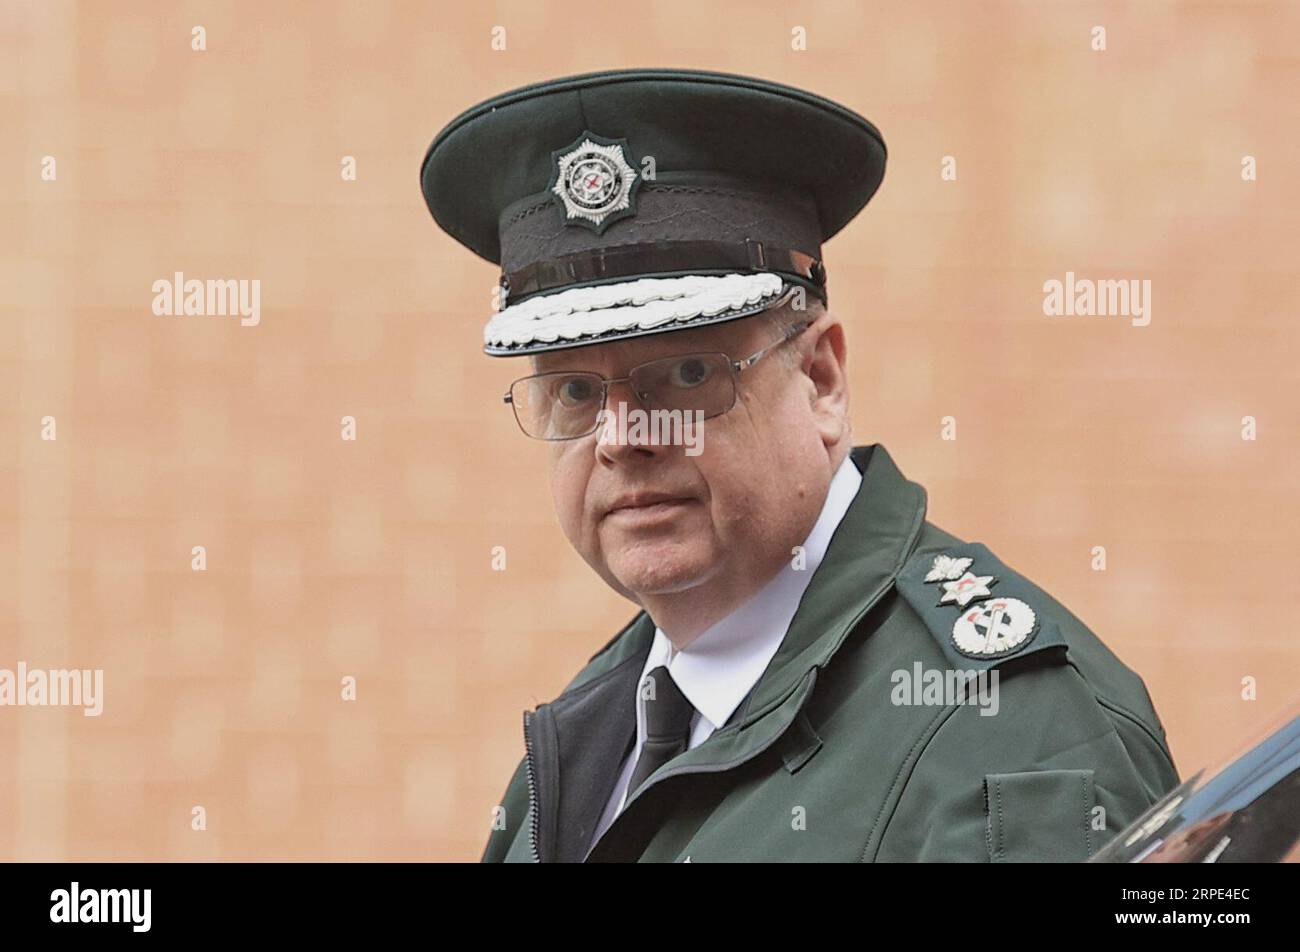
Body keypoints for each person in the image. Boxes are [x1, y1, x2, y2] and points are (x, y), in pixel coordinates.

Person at [420, 68, 1180, 862]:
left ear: (819, 380)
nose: (620, 437)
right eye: (574, 389)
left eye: (687, 375)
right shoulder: (598, 724)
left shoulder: (1014, 738)